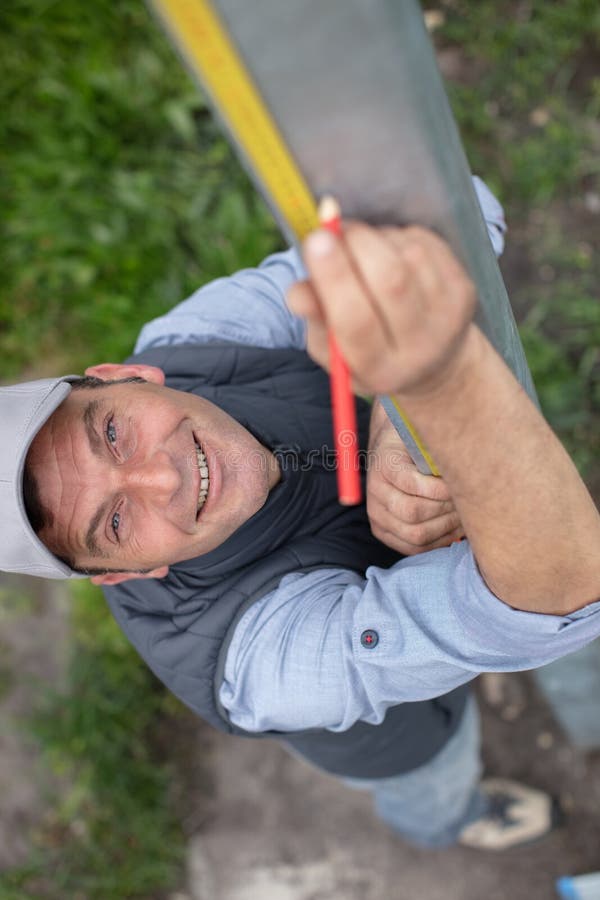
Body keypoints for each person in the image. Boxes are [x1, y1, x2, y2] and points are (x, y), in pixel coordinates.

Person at [2, 180, 599, 851]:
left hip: (483, 551)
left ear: (126, 375)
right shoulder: (258, 664)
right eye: (114, 524)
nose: (163, 476)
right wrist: (437, 387)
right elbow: (559, 596)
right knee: (433, 777)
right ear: (122, 575)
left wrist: (405, 416)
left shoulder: (194, 338)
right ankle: (458, 821)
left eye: (111, 433)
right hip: (407, 730)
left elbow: (449, 199)